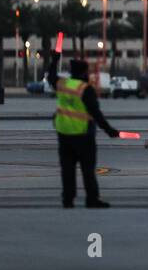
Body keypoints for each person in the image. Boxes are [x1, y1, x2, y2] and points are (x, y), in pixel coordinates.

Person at [47, 53, 119, 208]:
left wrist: (54, 60)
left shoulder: (63, 84)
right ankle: (91, 199)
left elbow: (50, 77)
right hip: (83, 135)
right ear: (84, 73)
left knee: (67, 169)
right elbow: (96, 113)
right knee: (88, 170)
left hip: (64, 134)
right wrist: (109, 130)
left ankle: (68, 199)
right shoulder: (85, 89)